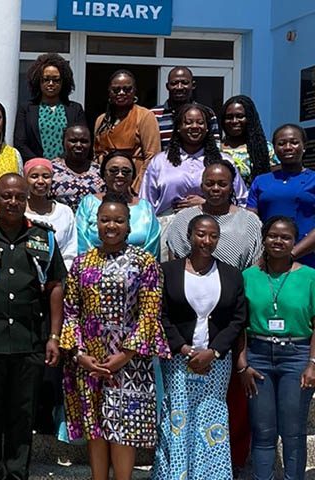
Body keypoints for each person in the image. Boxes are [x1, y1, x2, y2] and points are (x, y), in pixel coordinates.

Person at [0, 174, 66, 480]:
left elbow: (56, 285)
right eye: (6, 196)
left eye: (19, 196)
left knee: (22, 415)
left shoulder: (44, 238)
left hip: (29, 338)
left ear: (26, 198)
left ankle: (18, 474)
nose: (13, 202)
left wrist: (54, 336)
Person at [60, 192, 169, 480]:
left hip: (129, 360)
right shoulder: (81, 263)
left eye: (118, 220)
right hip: (89, 360)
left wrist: (124, 355)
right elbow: (71, 312)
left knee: (123, 430)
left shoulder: (145, 262)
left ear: (128, 225)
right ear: (95, 224)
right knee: (95, 429)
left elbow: (149, 314)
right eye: (105, 220)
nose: (111, 226)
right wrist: (81, 355)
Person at [153, 214, 247, 480]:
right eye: (201, 234)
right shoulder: (167, 272)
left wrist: (213, 352)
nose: (207, 240)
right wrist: (184, 349)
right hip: (178, 361)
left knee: (210, 416)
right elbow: (161, 315)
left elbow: (238, 319)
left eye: (213, 236)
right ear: (190, 235)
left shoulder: (231, 275)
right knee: (178, 418)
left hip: (216, 362)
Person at [238, 216, 315, 480]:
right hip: (258, 356)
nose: (278, 241)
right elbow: (240, 324)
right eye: (273, 236)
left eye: (285, 237)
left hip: (297, 357)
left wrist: (313, 363)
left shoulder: (309, 277)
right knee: (263, 431)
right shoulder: (248, 276)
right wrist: (243, 365)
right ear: (264, 239)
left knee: (293, 432)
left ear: (294, 242)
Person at [140, 103, 247, 260]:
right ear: (178, 127)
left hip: (214, 228)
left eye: (200, 122)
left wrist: (206, 203)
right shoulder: (160, 161)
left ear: (208, 128)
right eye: (188, 122)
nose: (194, 126)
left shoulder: (222, 161)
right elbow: (146, 204)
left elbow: (240, 200)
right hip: (168, 229)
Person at [166, 159, 262, 270]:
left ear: (231, 188)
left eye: (222, 184)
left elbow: (255, 267)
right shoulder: (183, 219)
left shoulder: (250, 222)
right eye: (209, 184)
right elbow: (174, 263)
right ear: (202, 187)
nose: (215, 189)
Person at [247, 124, 315, 269]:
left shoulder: (313, 180)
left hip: (307, 259)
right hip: (267, 261)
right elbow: (251, 222)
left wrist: (290, 255)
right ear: (275, 148)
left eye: (294, 142)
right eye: (281, 143)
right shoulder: (261, 181)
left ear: (304, 146)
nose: (288, 147)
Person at [76, 151, 160, 258]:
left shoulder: (145, 207)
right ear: (103, 174)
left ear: (133, 176)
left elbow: (152, 244)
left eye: (126, 171)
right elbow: (81, 239)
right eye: (113, 171)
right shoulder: (88, 203)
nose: (120, 175)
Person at [93, 69, 160, 190]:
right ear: (109, 92)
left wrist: (137, 187)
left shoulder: (145, 116)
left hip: (134, 182)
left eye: (127, 89)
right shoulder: (101, 120)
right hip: (106, 183)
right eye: (116, 90)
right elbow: (96, 154)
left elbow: (152, 157)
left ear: (134, 91)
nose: (121, 93)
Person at [14, 53, 86, 161]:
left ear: (63, 81)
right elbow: (20, 142)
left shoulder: (75, 109)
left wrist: (61, 161)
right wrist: (41, 163)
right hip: (36, 169)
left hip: (67, 168)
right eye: (46, 79)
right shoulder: (26, 108)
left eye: (56, 80)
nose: (51, 83)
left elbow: (82, 139)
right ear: (38, 81)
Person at [24, 158, 77, 269]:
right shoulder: (20, 212)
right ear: (25, 180)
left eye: (46, 176)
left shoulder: (64, 212)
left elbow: (70, 250)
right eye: (34, 176)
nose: (40, 181)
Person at [151, 66, 220, 151]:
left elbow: (214, 146)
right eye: (174, 83)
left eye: (185, 82)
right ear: (167, 86)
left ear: (193, 85)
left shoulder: (206, 113)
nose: (179, 87)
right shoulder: (153, 115)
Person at [219, 95, 277, 185]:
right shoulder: (215, 148)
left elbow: (276, 182)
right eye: (229, 117)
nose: (234, 121)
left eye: (240, 116)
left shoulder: (266, 148)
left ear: (250, 118)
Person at [50, 124, 105, 212]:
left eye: (84, 141)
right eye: (73, 141)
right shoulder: (51, 169)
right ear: (63, 142)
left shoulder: (100, 170)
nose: (79, 145)